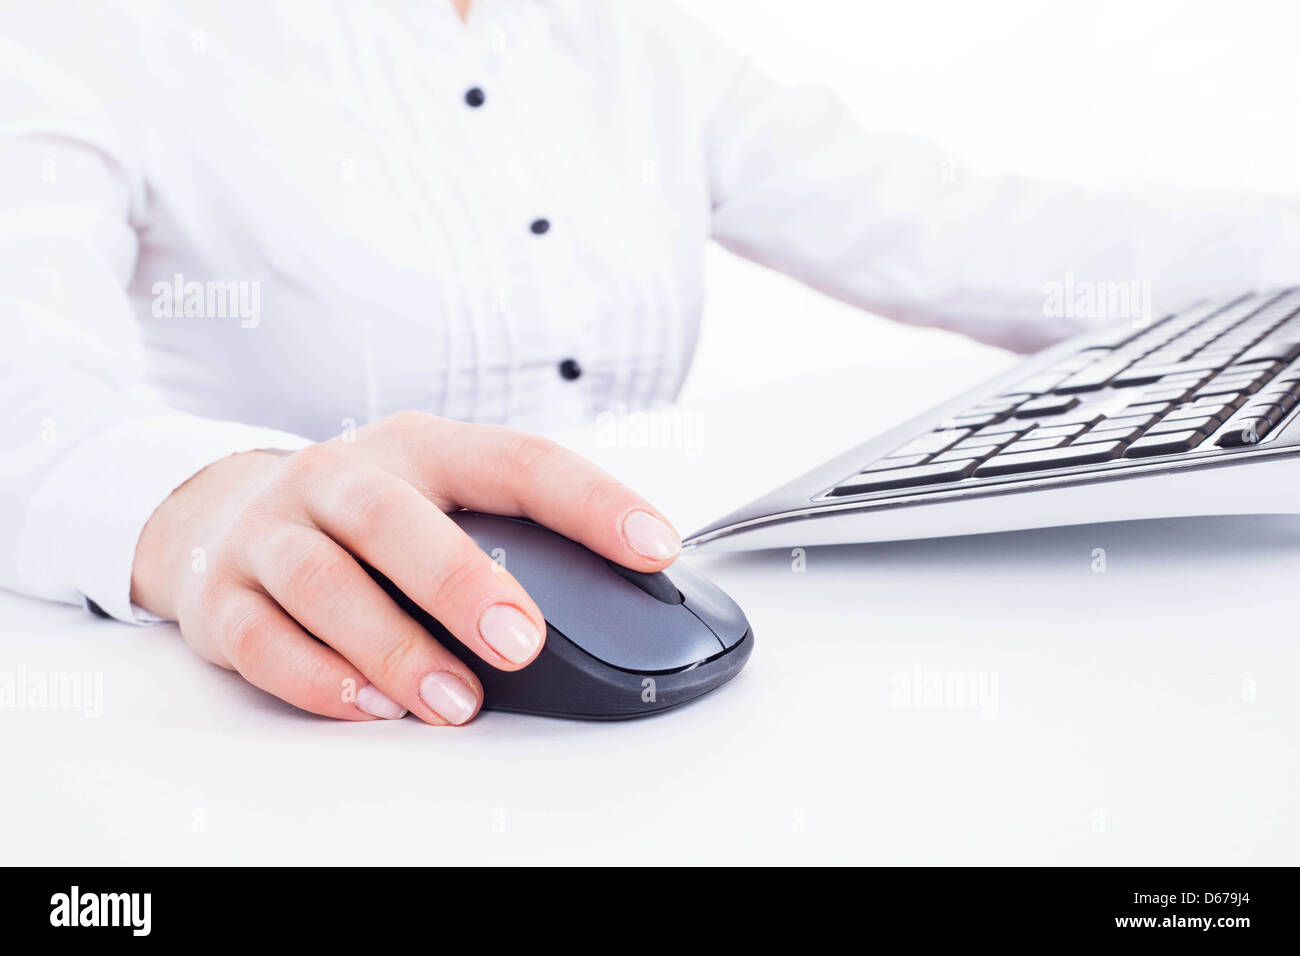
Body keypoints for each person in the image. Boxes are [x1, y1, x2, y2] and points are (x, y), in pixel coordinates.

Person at [3, 0, 1297, 725]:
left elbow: (959, 224)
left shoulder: (625, 43)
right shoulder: (102, 38)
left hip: (673, 657)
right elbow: (29, 385)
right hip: (307, 740)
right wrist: (206, 503)